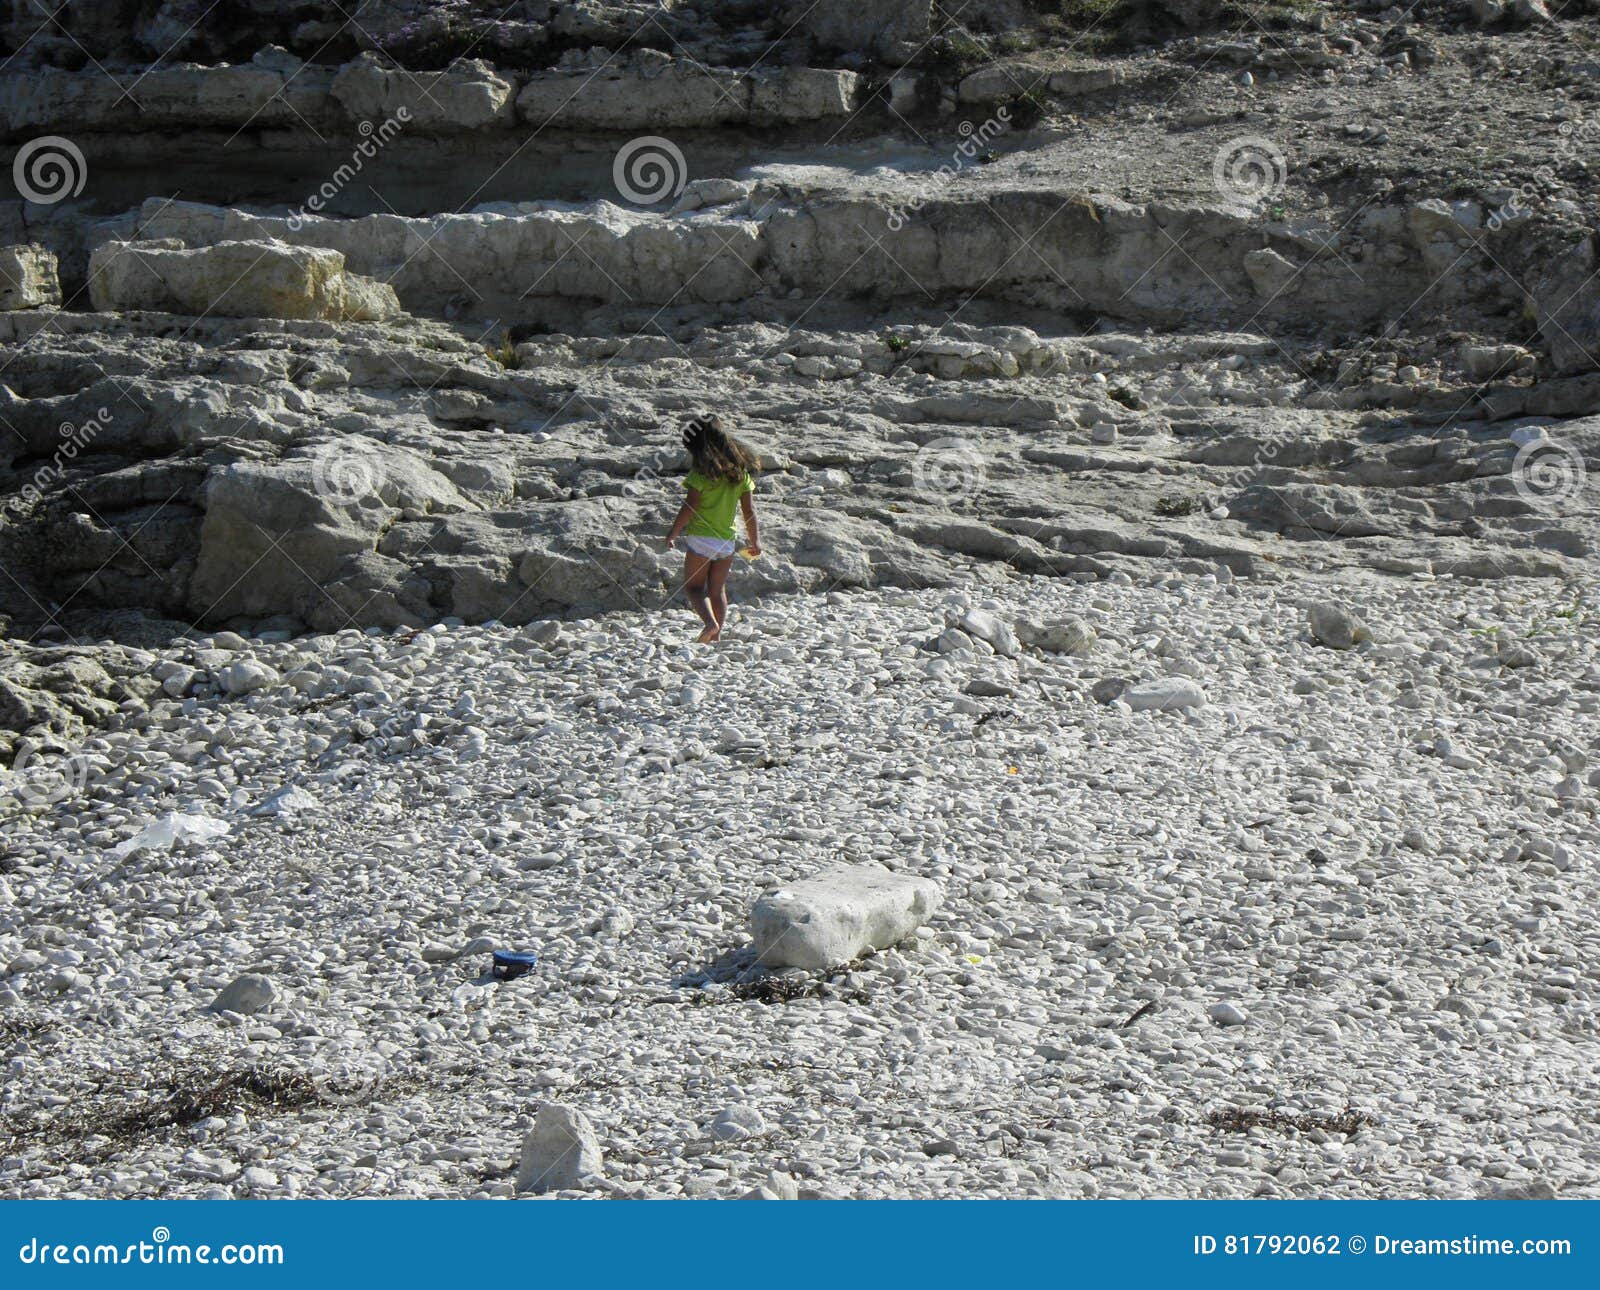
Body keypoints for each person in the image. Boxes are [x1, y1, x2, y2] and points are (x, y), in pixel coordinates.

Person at [664, 416, 760, 643]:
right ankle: (716, 634)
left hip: (701, 539)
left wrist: (673, 532)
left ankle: (709, 623)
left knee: (694, 587)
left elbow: (690, 506)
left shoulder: (700, 476)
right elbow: (749, 511)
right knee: (718, 590)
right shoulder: (740, 476)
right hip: (727, 541)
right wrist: (755, 541)